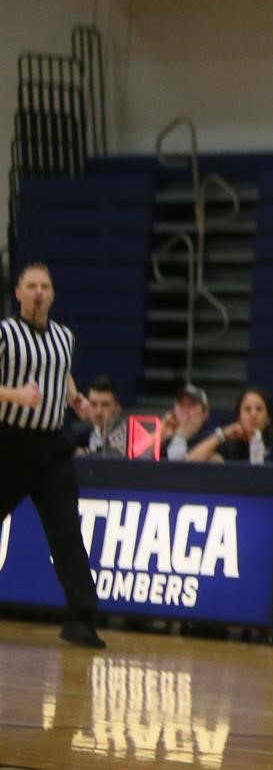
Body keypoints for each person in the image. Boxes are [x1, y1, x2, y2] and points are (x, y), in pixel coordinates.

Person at [0, 262, 103, 647]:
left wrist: (75, 398)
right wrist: (17, 396)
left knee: (66, 533)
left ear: (53, 294)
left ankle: (82, 620)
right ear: (19, 293)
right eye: (32, 286)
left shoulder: (64, 337)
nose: (39, 292)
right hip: (8, 443)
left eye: (45, 286)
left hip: (51, 447)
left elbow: (60, 371)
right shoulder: (6, 334)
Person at [190, 387, 273, 464]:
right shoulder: (229, 446)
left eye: (259, 409)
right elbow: (191, 461)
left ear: (268, 418)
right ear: (239, 417)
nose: (253, 414)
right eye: (247, 409)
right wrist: (223, 434)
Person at [77, 376, 126, 457]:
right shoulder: (79, 441)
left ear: (117, 408)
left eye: (105, 405)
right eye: (93, 404)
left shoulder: (129, 442)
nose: (98, 412)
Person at [160, 384, 209, 461]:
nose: (185, 410)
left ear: (205, 413)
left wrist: (181, 435)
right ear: (173, 411)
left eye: (191, 404)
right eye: (181, 405)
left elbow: (179, 466)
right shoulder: (165, 440)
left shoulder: (213, 439)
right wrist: (160, 431)